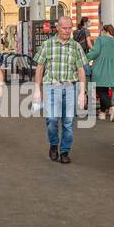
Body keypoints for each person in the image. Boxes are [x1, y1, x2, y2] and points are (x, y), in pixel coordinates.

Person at [32, 16, 87, 164]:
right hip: (51, 87)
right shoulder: (47, 45)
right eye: (64, 28)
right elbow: (40, 68)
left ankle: (64, 151)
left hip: (70, 87)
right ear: (58, 28)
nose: (67, 31)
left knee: (68, 122)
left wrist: (82, 92)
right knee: (51, 120)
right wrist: (37, 89)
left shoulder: (76, 46)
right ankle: (53, 144)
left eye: (70, 28)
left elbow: (81, 70)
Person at [86, 23, 114, 121]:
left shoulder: (100, 39)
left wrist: (84, 59)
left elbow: (94, 52)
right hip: (113, 71)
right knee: (105, 91)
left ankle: (111, 107)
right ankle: (102, 113)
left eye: (101, 31)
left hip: (100, 69)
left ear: (104, 31)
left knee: (100, 90)